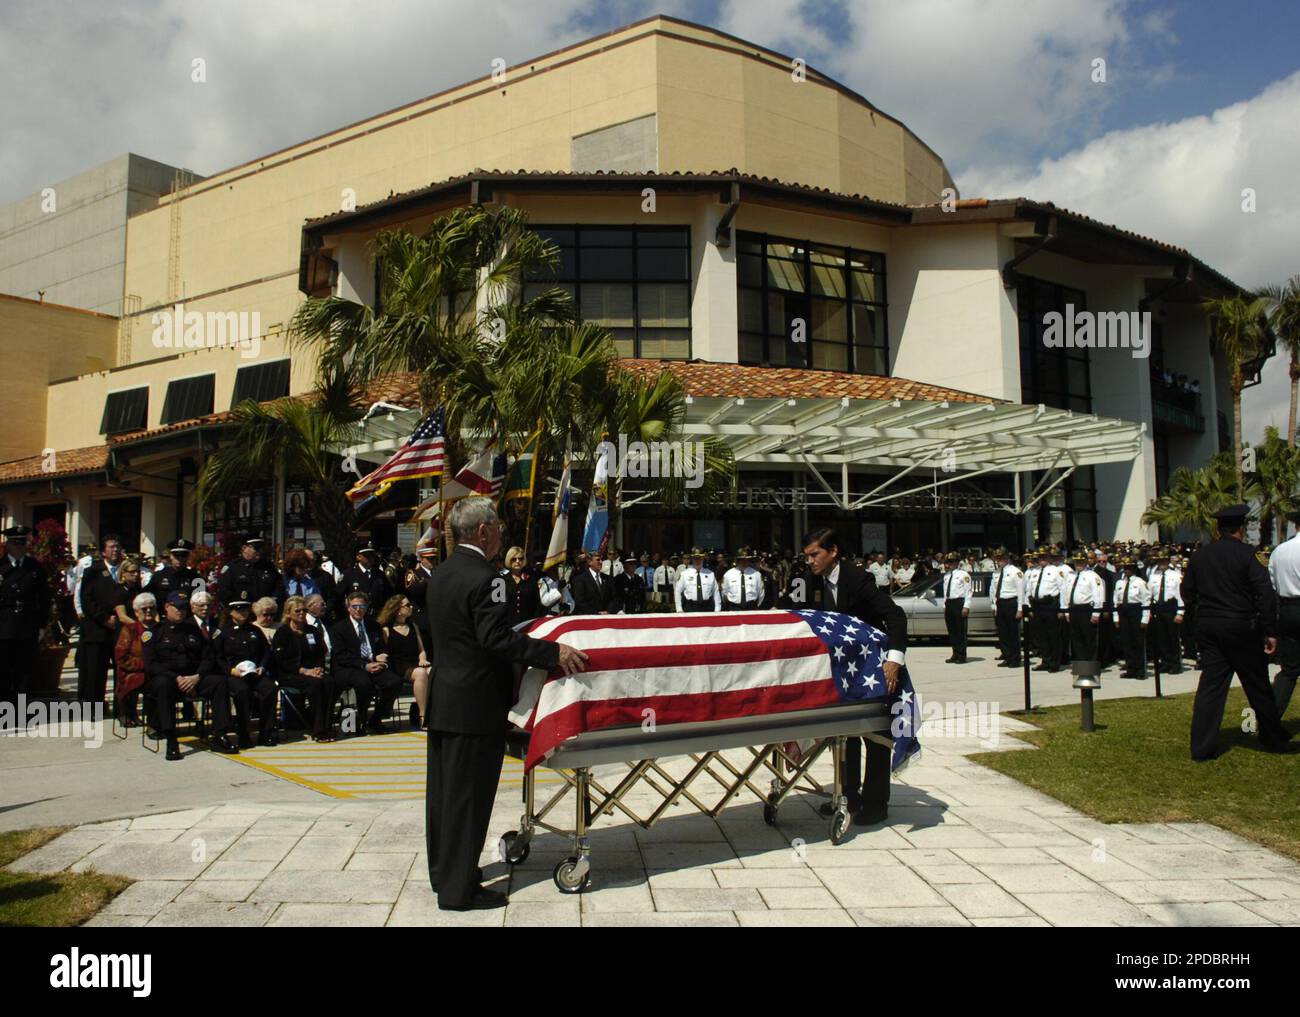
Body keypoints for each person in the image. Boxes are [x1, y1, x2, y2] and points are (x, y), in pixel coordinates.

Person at [424, 496, 587, 911]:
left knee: (445, 796)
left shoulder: (442, 572)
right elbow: (495, 639)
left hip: (446, 698)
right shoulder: (488, 577)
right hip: (477, 703)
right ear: (482, 531)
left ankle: (446, 872)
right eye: (496, 526)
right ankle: (459, 891)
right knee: (470, 799)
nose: (501, 533)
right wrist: (552, 654)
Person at [803, 527, 906, 827]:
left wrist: (894, 660)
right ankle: (848, 795)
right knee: (844, 735)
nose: (810, 561)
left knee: (875, 736)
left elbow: (895, 616)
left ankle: (876, 803)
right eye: (807, 556)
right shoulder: (814, 580)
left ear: (833, 552)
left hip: (875, 668)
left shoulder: (858, 579)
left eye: (815, 555)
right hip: (843, 671)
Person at [1183, 504, 1291, 761]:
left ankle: (1202, 747)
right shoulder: (1249, 555)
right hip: (1241, 627)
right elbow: (1264, 595)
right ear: (1241, 529)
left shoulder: (1200, 556)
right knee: (1257, 685)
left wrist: (1201, 614)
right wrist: (1271, 631)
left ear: (1219, 529)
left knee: (1211, 687)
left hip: (1210, 627)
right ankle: (1272, 737)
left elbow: (1187, 592)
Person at [144, 592, 239, 761]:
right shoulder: (154, 633)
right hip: (170, 680)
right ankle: (171, 739)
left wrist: (197, 676)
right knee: (161, 684)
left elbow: (208, 657)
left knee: (219, 682)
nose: (181, 611)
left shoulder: (194, 631)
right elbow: (151, 664)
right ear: (167, 607)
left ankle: (220, 734)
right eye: (177, 607)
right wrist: (176, 678)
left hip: (194, 678)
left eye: (183, 607)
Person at [330, 591, 403, 735]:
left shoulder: (373, 625)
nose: (358, 609)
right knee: (364, 683)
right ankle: (360, 719)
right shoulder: (338, 628)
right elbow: (341, 656)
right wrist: (364, 665)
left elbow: (382, 647)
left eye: (362, 606)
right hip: (351, 667)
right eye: (354, 606)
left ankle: (376, 718)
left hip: (374, 663)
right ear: (348, 608)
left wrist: (382, 660)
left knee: (395, 682)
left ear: (367, 607)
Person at [214, 595, 278, 747]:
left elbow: (266, 652)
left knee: (270, 689)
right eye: (238, 610)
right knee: (242, 692)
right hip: (234, 675)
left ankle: (266, 732)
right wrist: (231, 670)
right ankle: (243, 733)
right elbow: (217, 658)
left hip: (254, 673)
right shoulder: (222, 632)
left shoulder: (255, 630)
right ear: (230, 612)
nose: (242, 613)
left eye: (245, 609)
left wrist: (262, 666)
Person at [273, 595, 336, 741]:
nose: (301, 613)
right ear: (288, 613)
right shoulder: (282, 633)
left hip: (313, 671)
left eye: (303, 610)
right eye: (297, 611)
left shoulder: (312, 630)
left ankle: (327, 726)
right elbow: (281, 661)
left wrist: (319, 668)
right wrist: (304, 671)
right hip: (291, 674)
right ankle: (318, 730)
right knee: (315, 684)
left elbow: (321, 652)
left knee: (329, 682)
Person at [377, 593, 432, 729]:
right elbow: (384, 651)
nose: (410, 607)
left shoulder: (413, 627)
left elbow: (421, 649)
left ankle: (434, 711)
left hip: (415, 662)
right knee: (420, 673)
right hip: (399, 665)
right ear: (398, 609)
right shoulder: (387, 630)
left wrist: (423, 658)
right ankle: (423, 715)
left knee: (432, 671)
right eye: (407, 605)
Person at [77, 551, 121, 704]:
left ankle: (120, 707)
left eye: (117, 547)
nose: (115, 550)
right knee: (95, 671)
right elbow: (86, 598)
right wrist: (104, 618)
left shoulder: (126, 570)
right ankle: (94, 706)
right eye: (111, 547)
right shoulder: (93, 571)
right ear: (104, 552)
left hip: (120, 629)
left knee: (121, 670)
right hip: (97, 628)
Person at [1268, 508, 1300, 715]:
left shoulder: (1280, 550)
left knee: (1289, 670)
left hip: (1288, 609)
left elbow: (1272, 583)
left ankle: (1270, 718)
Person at [114, 592, 158, 727]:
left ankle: (154, 720)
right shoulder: (130, 629)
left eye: (152, 608)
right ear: (136, 612)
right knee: (137, 679)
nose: (149, 611)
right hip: (134, 670)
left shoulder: (160, 629)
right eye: (144, 609)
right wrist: (144, 664)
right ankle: (127, 713)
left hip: (155, 671)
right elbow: (121, 656)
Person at [1060, 551, 1104, 664]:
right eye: (1076, 561)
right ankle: (1080, 666)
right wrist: (1066, 611)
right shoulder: (1070, 576)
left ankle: (1091, 666)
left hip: (1087, 610)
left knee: (1089, 639)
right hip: (1073, 610)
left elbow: (1098, 595)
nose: (1078, 563)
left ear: (1085, 562)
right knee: (1076, 640)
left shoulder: (1092, 576)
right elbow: (1065, 593)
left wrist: (1096, 613)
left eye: (1081, 561)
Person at [218, 536, 282, 610]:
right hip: (242, 612)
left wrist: (271, 602)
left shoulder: (269, 567)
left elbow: (278, 588)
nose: (260, 551)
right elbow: (224, 593)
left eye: (261, 548)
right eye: (256, 548)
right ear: (244, 548)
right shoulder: (232, 568)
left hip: (265, 613)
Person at [1147, 548, 1185, 675]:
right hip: (1158, 607)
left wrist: (1180, 613)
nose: (1161, 563)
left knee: (1172, 637)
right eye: (1159, 561)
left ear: (1168, 561)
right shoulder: (1153, 576)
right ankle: (1165, 662)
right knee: (1161, 637)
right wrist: (1148, 610)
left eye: (1164, 561)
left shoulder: (1175, 575)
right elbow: (1149, 594)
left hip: (1171, 607)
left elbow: (1181, 595)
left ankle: (1175, 664)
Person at [1113, 556, 1151, 680]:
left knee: (1138, 642)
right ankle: (1131, 668)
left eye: (1129, 568)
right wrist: (1116, 617)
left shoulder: (1140, 582)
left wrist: (1145, 619)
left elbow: (1146, 600)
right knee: (1127, 642)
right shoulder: (1120, 583)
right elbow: (1115, 601)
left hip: (1136, 611)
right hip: (1123, 612)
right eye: (1125, 568)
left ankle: (1140, 670)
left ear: (1134, 569)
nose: (1126, 570)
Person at [336, 541, 392, 616]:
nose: (371, 559)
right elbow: (338, 597)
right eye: (367, 556)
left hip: (377, 617)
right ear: (358, 557)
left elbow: (388, 596)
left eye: (372, 556)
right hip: (356, 615)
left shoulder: (380, 574)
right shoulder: (349, 574)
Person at [989, 549, 1023, 668]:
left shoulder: (1016, 572)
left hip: (1011, 602)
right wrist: (994, 605)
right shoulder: (996, 573)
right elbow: (993, 590)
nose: (999, 561)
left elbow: (1020, 591)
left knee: (1013, 632)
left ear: (1007, 558)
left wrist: (1020, 609)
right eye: (998, 558)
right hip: (1001, 603)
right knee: (1003, 633)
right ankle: (1007, 656)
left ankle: (1015, 659)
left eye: (1001, 558)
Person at [940, 552, 972, 664]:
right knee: (952, 630)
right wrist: (945, 605)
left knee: (960, 630)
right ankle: (955, 653)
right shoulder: (947, 576)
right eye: (949, 562)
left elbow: (968, 591)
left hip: (959, 603)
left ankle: (962, 655)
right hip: (949, 603)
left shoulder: (964, 575)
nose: (951, 564)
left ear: (958, 562)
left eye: (953, 561)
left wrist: (966, 606)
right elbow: (945, 592)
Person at [500, 546, 542, 627]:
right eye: (514, 559)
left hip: (527, 625)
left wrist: (535, 624)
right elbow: (499, 607)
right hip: (508, 626)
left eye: (520, 558)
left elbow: (537, 605)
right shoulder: (501, 581)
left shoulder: (531, 580)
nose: (517, 561)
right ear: (509, 560)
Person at [674, 548, 720, 612]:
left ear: (703, 558)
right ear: (692, 559)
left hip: (707, 608)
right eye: (695, 558)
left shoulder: (710, 574)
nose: (697, 560)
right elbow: (677, 591)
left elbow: (716, 592)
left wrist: (717, 608)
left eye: (699, 558)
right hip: (690, 608)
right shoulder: (684, 574)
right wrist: (679, 608)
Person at [112, 560, 145, 628]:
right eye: (132, 572)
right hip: (126, 630)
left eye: (137, 571)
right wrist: (140, 626)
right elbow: (122, 617)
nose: (136, 574)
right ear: (123, 573)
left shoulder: (138, 590)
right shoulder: (120, 591)